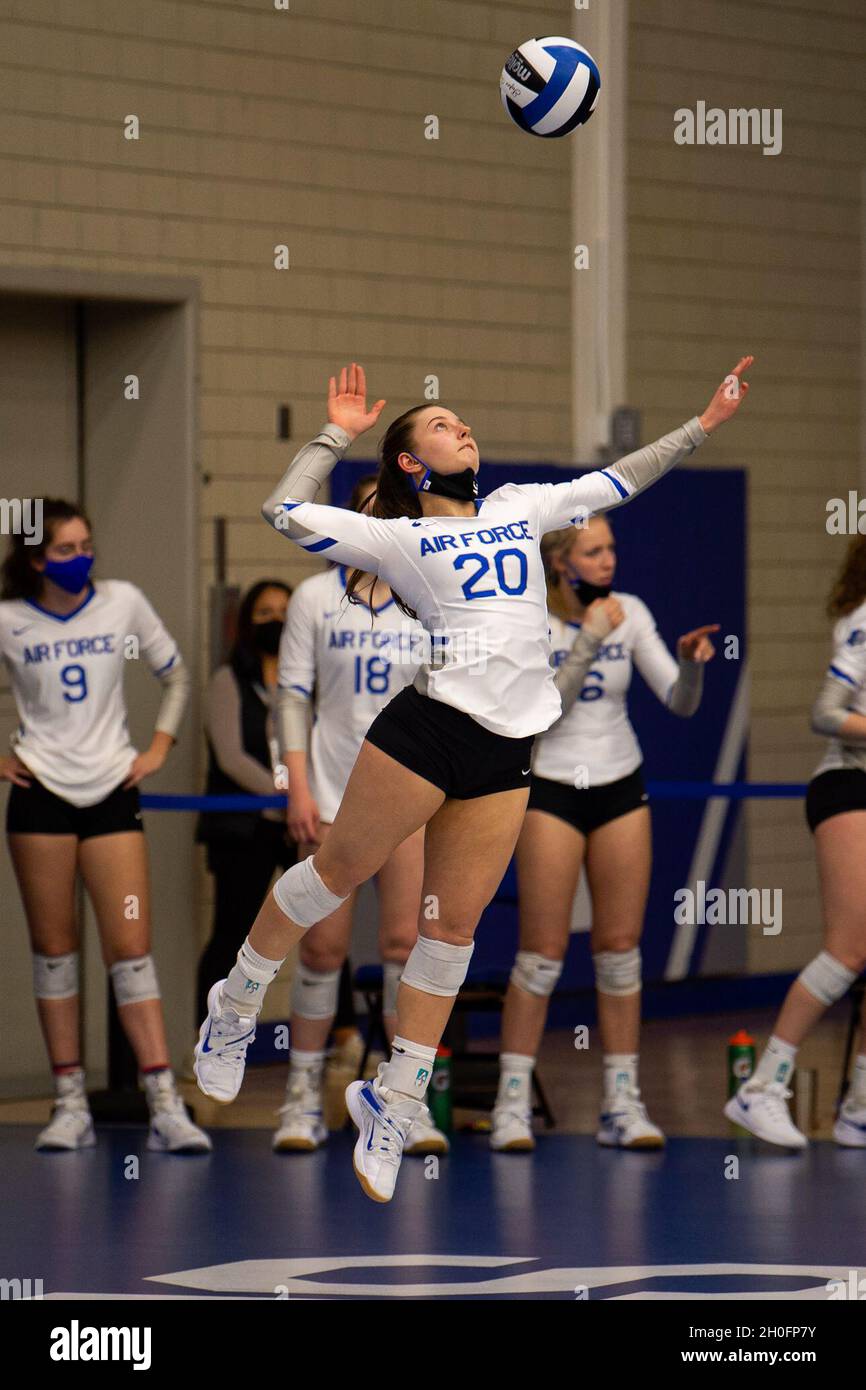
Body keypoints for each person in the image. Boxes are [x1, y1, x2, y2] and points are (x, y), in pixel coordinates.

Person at [195, 358, 752, 1202]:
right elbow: (282, 511)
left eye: (461, 420)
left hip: (509, 748)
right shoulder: (401, 536)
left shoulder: (521, 507)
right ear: (413, 464)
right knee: (337, 874)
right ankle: (235, 1004)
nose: (463, 429)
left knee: (450, 932)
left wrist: (702, 424)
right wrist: (334, 434)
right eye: (441, 425)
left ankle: (395, 1097)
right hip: (431, 728)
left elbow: (620, 481)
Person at [491, 513, 716, 1152]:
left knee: (619, 950)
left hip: (620, 783)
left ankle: (622, 1102)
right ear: (561, 561)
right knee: (541, 955)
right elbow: (541, 713)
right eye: (593, 551)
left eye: (612, 548)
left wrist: (689, 664)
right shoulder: (532, 620)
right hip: (552, 786)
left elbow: (679, 701)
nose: (608, 561)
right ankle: (513, 1104)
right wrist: (586, 640)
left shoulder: (631, 611)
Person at [0, 499, 210, 1153]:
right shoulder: (9, 619)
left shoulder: (121, 602)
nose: (81, 558)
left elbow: (176, 676)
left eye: (87, 544)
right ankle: (69, 1103)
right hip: (40, 797)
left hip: (112, 793)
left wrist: (157, 748)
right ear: (35, 559)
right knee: (55, 952)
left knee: (130, 947)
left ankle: (164, 1104)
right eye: (66, 549)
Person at [273, 477, 445, 1154]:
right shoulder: (314, 598)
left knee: (406, 947)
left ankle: (404, 1102)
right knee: (320, 949)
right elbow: (290, 696)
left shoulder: (428, 595)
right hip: (332, 794)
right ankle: (300, 1096)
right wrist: (296, 787)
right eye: (374, 505)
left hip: (408, 795)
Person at [725, 535, 866, 1148]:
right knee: (848, 951)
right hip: (848, 784)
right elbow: (826, 713)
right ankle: (762, 1087)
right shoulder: (863, 621)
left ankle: (859, 1107)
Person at [195, 579, 296, 1023]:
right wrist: (284, 792)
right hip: (243, 825)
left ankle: (344, 1038)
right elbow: (231, 756)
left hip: (299, 821)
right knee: (233, 933)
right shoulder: (228, 679)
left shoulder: (305, 678)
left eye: (284, 612)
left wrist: (301, 797)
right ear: (246, 624)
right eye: (264, 613)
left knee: (319, 928)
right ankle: (209, 1032)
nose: (276, 621)